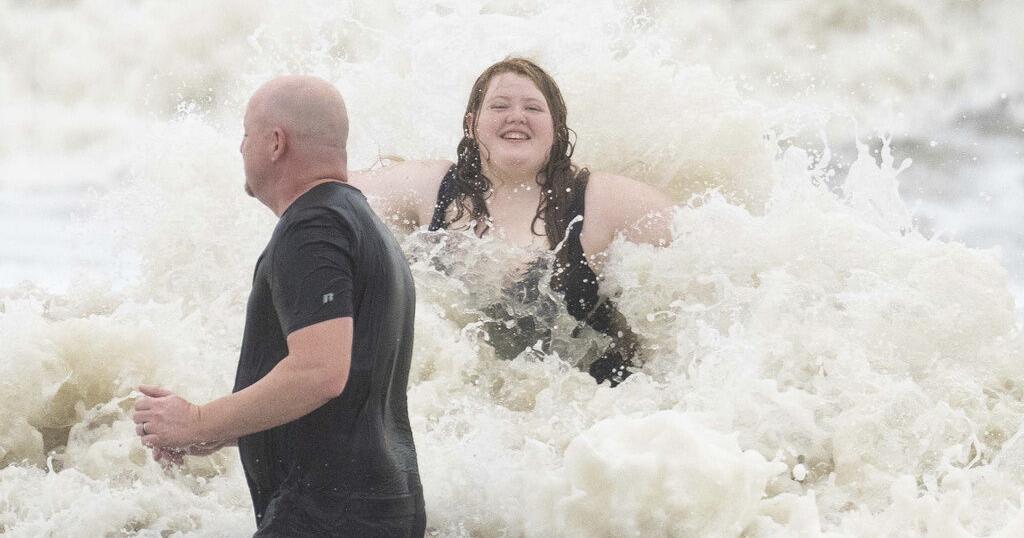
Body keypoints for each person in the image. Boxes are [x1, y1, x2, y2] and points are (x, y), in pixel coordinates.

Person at [132, 75, 425, 537]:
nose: (241, 147)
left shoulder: (313, 227)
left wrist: (198, 421)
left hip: (329, 514)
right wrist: (216, 433)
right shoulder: (360, 223)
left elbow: (320, 373)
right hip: (374, 508)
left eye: (246, 134)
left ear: (275, 143)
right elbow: (346, 394)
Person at [350, 57, 674, 386]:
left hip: (593, 398)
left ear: (556, 128)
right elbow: (333, 188)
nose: (517, 116)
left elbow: (694, 241)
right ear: (471, 123)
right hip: (461, 395)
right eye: (499, 106)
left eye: (533, 108)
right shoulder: (430, 188)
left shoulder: (602, 200)